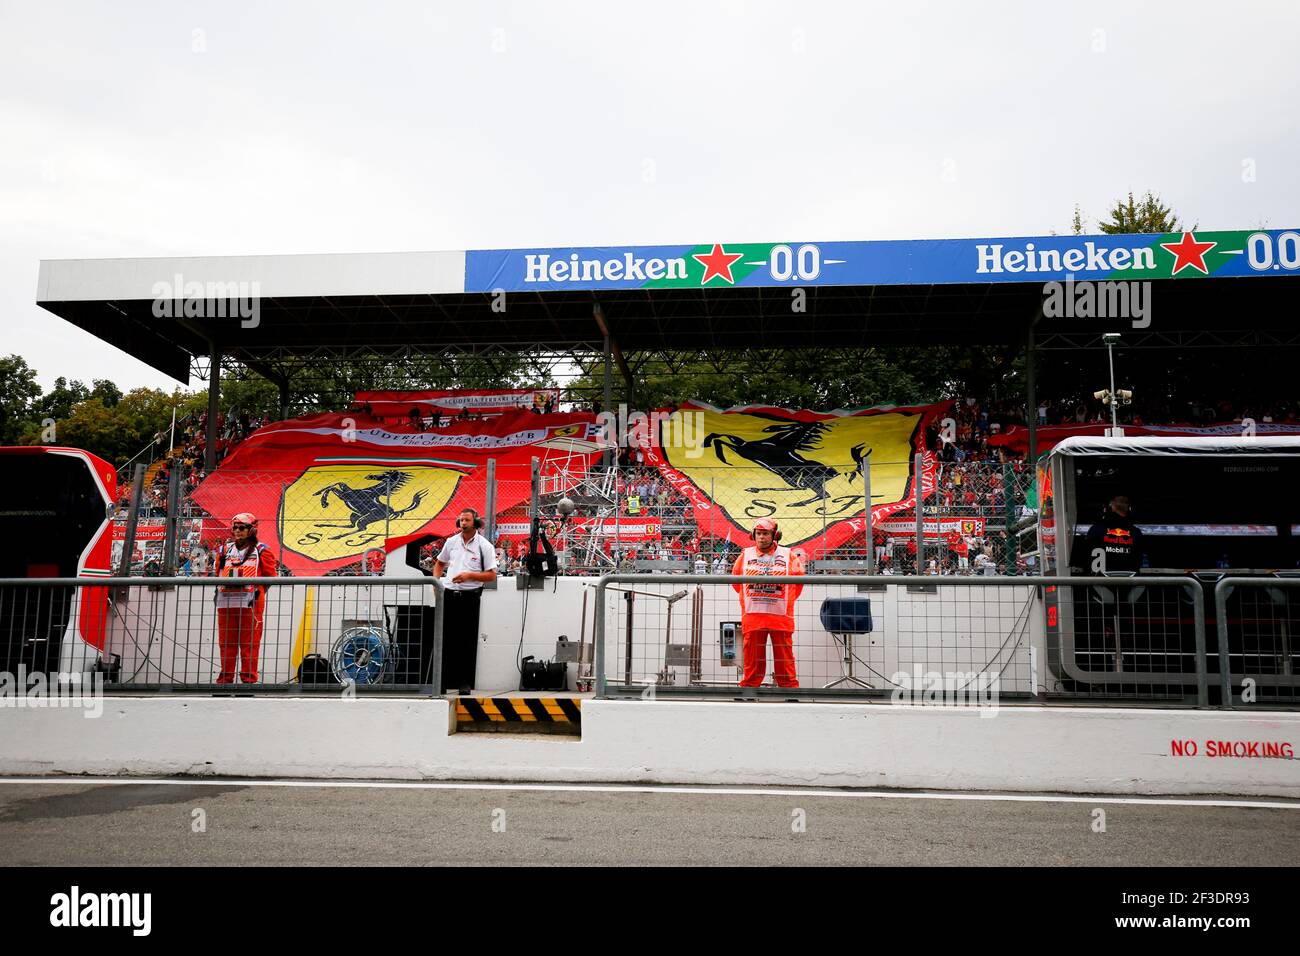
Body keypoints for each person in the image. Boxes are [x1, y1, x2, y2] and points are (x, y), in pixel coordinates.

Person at [731, 517, 804, 694]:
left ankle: (789, 690)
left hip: (780, 617)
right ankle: (749, 688)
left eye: (765, 534)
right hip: (753, 616)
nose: (761, 537)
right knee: (752, 656)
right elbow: (735, 581)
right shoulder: (745, 555)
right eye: (758, 534)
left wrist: (784, 602)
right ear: (753, 535)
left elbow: (799, 582)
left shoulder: (789, 555)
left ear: (774, 535)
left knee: (784, 656)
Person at [433, 508, 498, 694]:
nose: (463, 523)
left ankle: (464, 682)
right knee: (445, 638)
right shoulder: (451, 542)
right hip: (449, 594)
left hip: (470, 596)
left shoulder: (484, 546)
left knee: (466, 640)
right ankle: (442, 681)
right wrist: (436, 582)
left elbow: (491, 575)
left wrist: (469, 576)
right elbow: (439, 563)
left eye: (467, 519)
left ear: (475, 522)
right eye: (461, 519)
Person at [213, 513, 276, 684]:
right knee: (226, 644)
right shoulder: (224, 550)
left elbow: (271, 577)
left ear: (252, 530)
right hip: (226, 603)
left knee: (250, 644)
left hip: (251, 604)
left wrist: (256, 593)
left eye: (242, 528)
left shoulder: (262, 550)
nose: (238, 531)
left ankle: (249, 681)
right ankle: (225, 680)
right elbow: (217, 573)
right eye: (235, 528)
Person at [1084, 495, 1143, 573]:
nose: (1122, 505)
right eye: (1120, 502)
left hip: (1126, 581)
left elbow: (1139, 560)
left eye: (1125, 503)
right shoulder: (1097, 529)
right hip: (1104, 581)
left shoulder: (1135, 532)